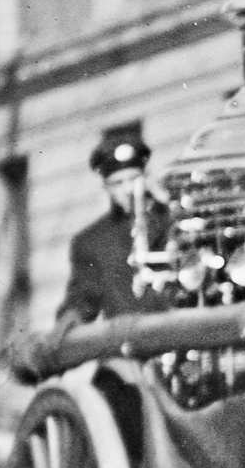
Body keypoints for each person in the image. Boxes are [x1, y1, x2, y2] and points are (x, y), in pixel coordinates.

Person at [55, 125, 172, 327]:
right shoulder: (91, 242)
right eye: (117, 183)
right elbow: (82, 299)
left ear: (147, 176)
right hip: (125, 351)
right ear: (106, 188)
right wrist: (70, 318)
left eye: (134, 178)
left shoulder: (174, 220)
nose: (128, 189)